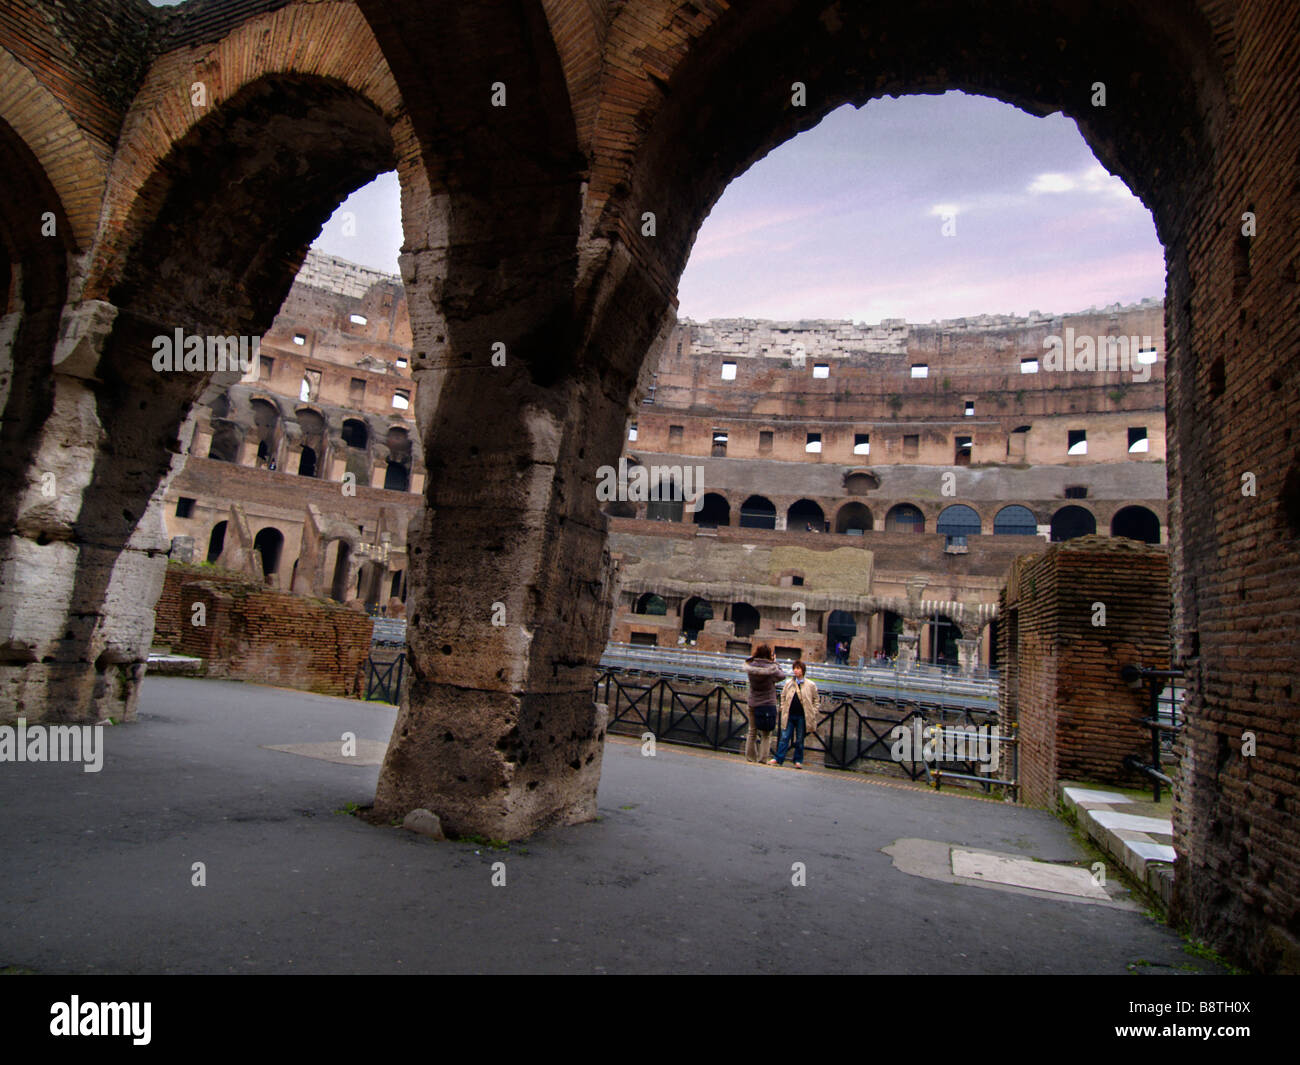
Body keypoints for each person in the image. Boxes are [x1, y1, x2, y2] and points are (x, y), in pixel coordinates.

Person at [770, 660, 819, 768]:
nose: (795, 671)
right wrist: (783, 708)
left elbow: (816, 700)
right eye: (794, 668)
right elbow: (782, 696)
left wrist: (813, 712)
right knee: (784, 737)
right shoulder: (789, 683)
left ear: (803, 670)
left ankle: (798, 760)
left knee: (800, 739)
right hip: (789, 715)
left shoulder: (810, 684)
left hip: (802, 716)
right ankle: (778, 758)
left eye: (798, 668)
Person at [743, 644, 784, 764]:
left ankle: (751, 758)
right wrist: (776, 663)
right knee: (766, 733)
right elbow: (782, 676)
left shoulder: (751, 667)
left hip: (753, 702)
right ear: (769, 655)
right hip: (767, 703)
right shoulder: (771, 669)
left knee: (752, 731)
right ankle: (762, 759)